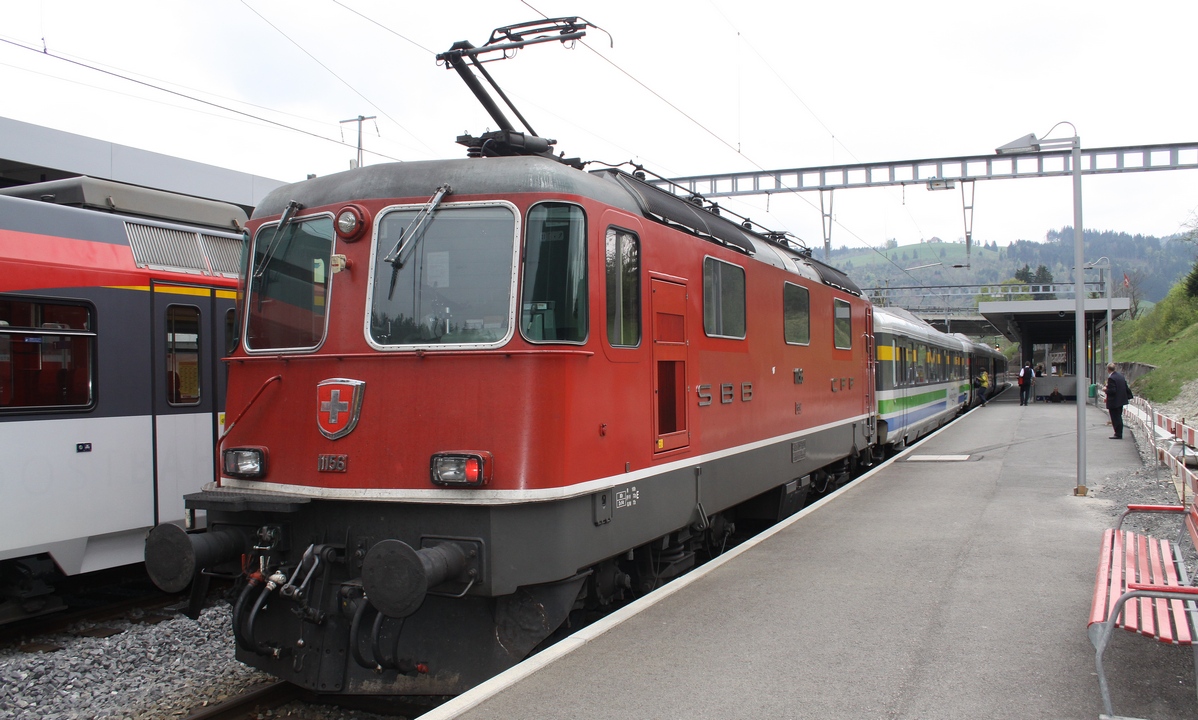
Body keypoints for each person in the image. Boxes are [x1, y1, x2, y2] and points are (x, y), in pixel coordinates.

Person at [1105, 363, 1132, 440]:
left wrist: (1106, 390)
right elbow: (1126, 387)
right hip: (1121, 400)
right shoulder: (1120, 376)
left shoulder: (1111, 378)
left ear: (1108, 369)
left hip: (1114, 401)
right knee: (1119, 416)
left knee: (1115, 418)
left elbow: (1112, 391)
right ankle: (1119, 433)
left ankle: (1118, 434)